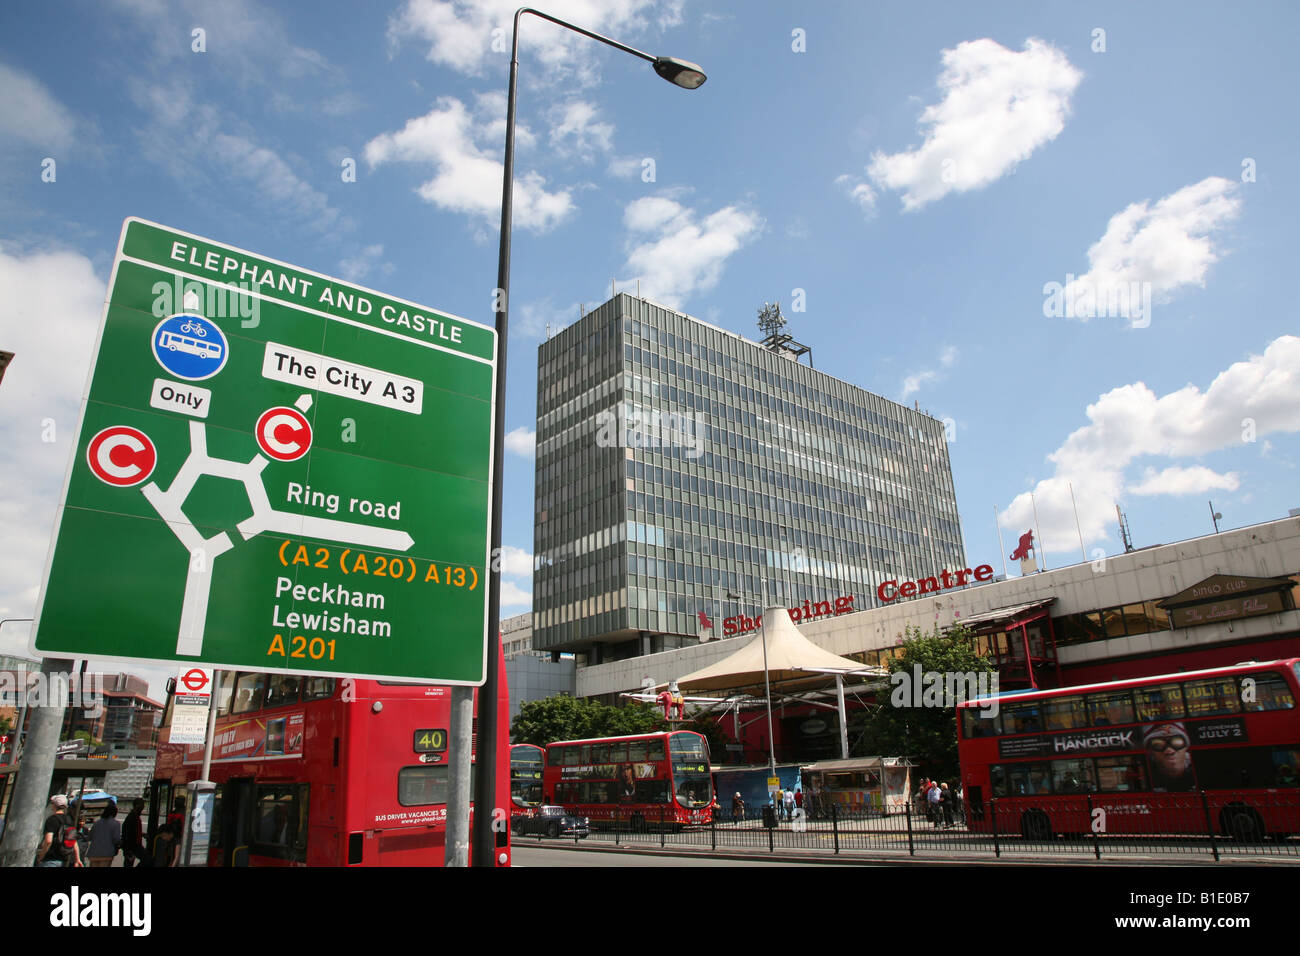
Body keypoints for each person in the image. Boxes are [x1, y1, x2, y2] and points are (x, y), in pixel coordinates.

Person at [1144, 722, 1196, 791]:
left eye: (1177, 742)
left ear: (1186, 747)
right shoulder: (1146, 774)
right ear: (1150, 751)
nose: (1170, 751)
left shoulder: (1199, 768)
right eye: (1158, 745)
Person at [37, 795, 82, 868]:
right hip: (63, 860)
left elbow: (48, 841)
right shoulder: (69, 820)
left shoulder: (52, 819)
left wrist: (41, 856)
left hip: (50, 859)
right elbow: (74, 841)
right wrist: (77, 859)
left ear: (54, 805)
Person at [87, 802, 122, 867]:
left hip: (93, 853)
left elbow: (90, 837)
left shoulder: (97, 823)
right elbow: (116, 839)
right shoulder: (116, 824)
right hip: (107, 854)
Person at [121, 798, 146, 867]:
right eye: (142, 805)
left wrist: (142, 834)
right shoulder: (132, 817)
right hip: (133, 846)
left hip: (134, 846)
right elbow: (127, 833)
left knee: (129, 863)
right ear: (137, 806)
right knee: (146, 859)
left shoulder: (135, 816)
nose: (143, 807)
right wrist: (127, 849)